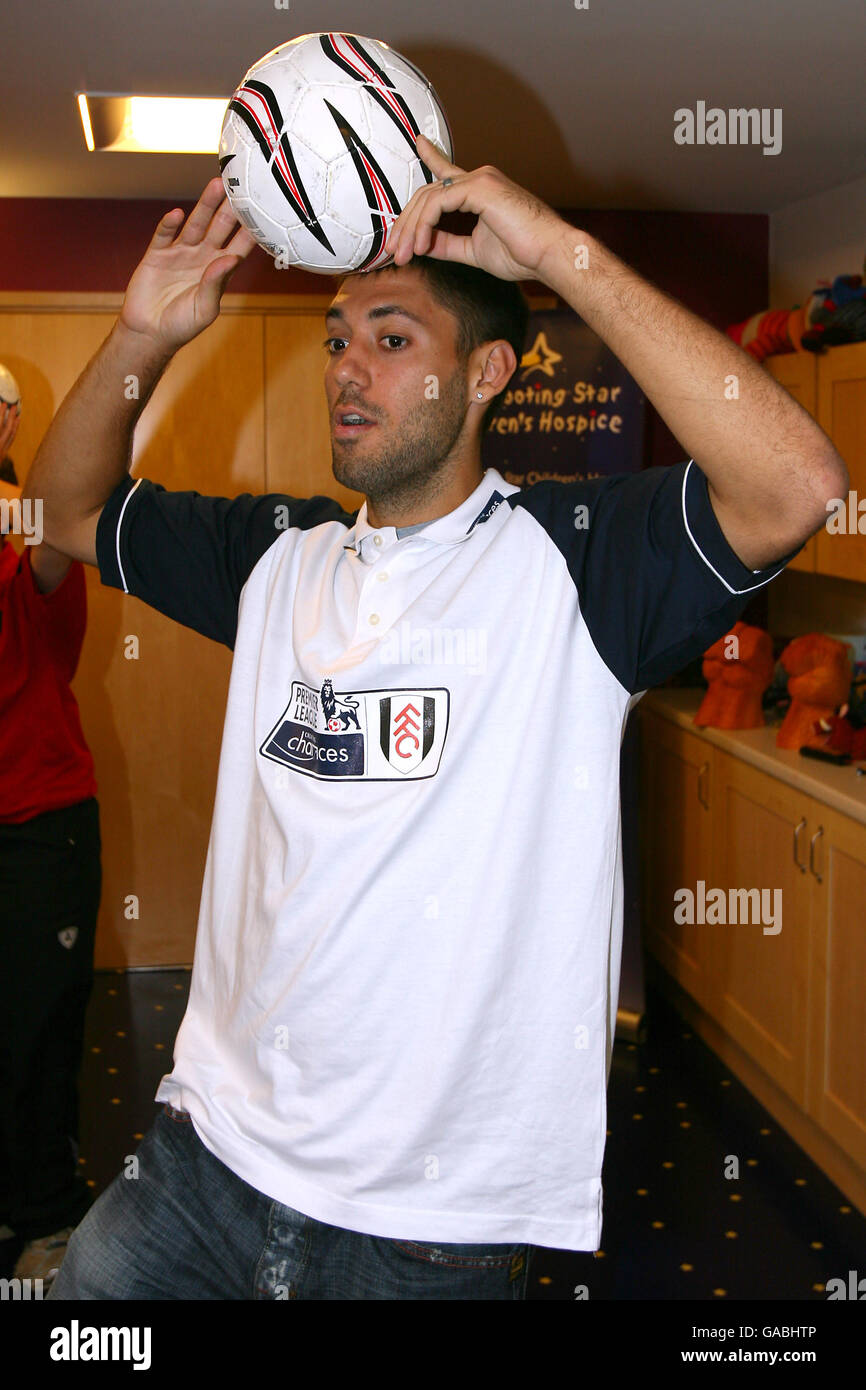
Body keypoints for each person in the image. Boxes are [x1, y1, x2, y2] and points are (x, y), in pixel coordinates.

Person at [28, 135, 846, 1300]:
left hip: (426, 1231)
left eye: (392, 340)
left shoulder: (574, 562)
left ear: (487, 375)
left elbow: (797, 484)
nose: (345, 369)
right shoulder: (275, 557)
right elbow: (61, 510)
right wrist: (140, 340)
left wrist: (559, 253)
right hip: (199, 1169)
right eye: (337, 341)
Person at [0, 400, 102, 1288]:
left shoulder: (25, 535)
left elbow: (50, 539)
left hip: (36, 823)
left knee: (32, 1032)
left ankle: (46, 1212)